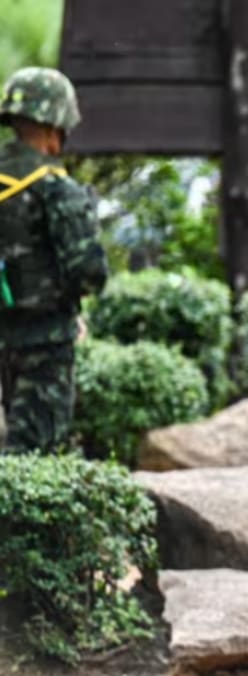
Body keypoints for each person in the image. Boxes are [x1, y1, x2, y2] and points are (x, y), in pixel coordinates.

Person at [0, 67, 107, 453]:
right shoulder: (56, 188)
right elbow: (90, 273)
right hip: (46, 341)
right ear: (55, 127)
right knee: (35, 453)